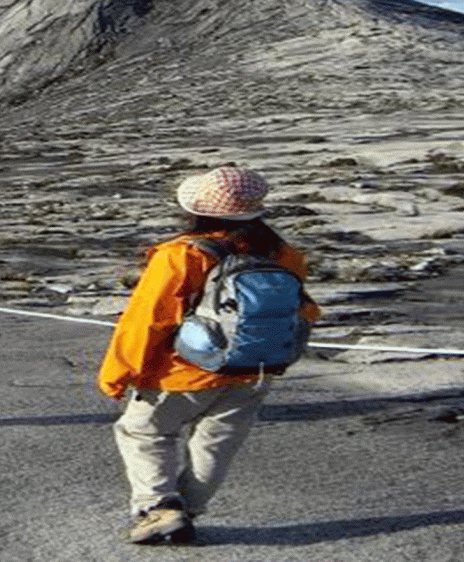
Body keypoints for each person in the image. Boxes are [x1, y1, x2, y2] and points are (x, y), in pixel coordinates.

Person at [97, 165, 321, 545]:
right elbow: (306, 312)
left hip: (184, 371)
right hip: (254, 370)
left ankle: (159, 509)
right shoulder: (286, 255)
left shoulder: (182, 255)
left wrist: (118, 373)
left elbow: (149, 319)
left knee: (144, 431)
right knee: (216, 444)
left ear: (196, 211)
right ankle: (185, 510)